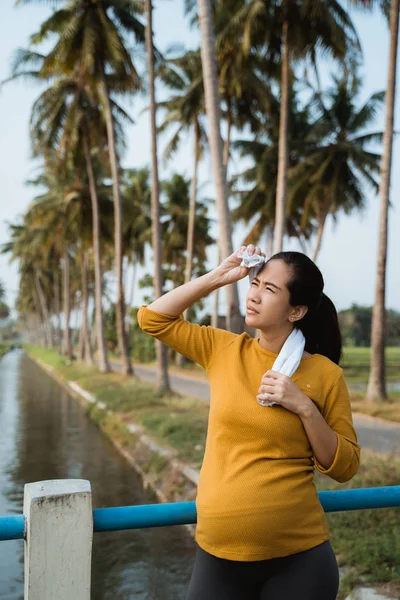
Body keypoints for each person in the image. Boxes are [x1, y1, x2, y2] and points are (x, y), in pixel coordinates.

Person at [137, 244, 361, 600]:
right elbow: (152, 319)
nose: (254, 295)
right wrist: (218, 276)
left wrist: (304, 407)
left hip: (300, 561)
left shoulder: (325, 374)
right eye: (256, 283)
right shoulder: (223, 349)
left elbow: (345, 465)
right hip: (217, 558)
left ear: (296, 310)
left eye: (270, 290)